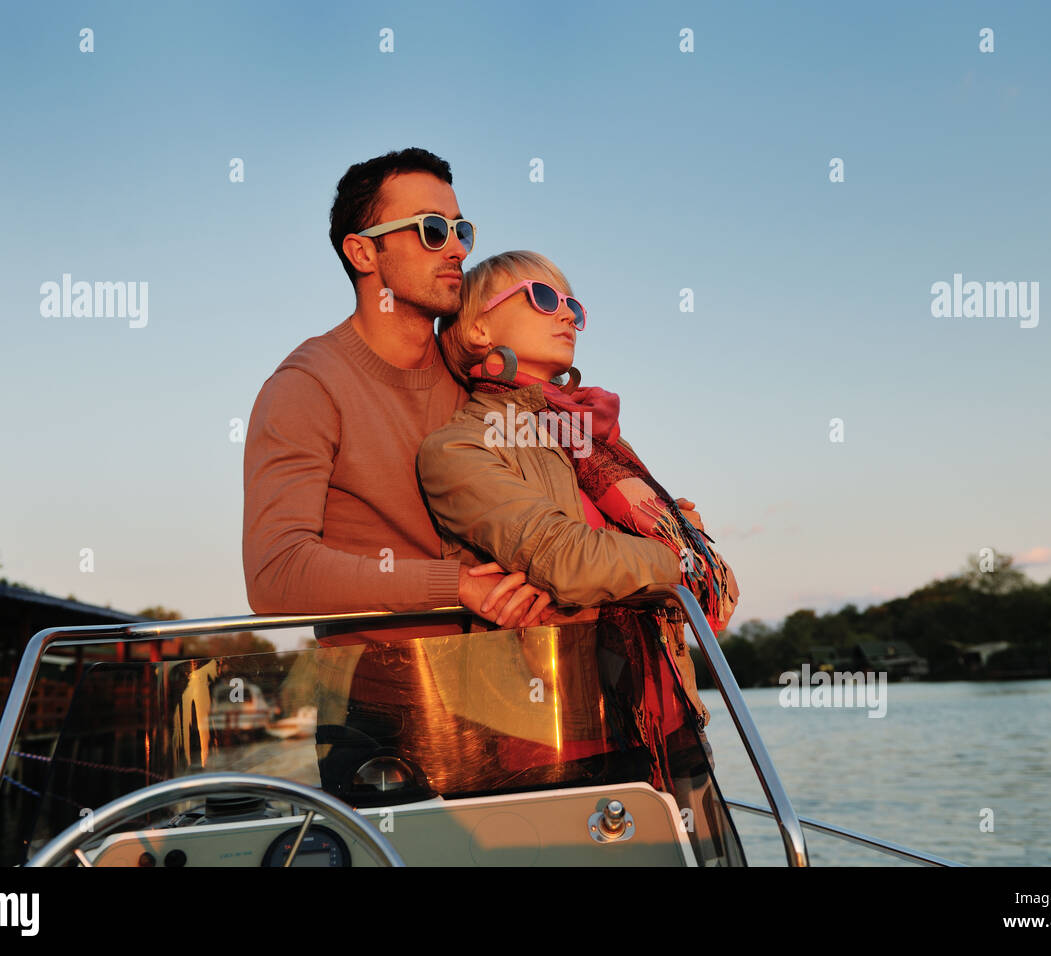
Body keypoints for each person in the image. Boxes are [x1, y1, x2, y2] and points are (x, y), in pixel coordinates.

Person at [417, 250, 740, 739]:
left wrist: (674, 550)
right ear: (480, 330)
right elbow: (568, 560)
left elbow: (720, 578)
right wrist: (681, 551)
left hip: (673, 718)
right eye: (542, 298)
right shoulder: (460, 445)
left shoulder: (600, 438)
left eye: (573, 305)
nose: (568, 314)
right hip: (554, 734)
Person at [241, 148, 556, 633]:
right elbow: (275, 572)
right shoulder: (307, 386)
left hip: (518, 687)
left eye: (460, 229)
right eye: (432, 230)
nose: (457, 250)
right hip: (380, 699)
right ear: (363, 252)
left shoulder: (476, 375)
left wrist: (649, 518)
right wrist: (453, 585)